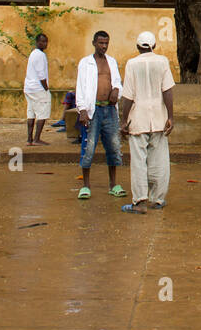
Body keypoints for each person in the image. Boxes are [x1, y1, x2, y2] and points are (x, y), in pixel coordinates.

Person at [117, 31, 175, 214]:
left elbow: (128, 96)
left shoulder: (132, 64)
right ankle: (158, 199)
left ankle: (140, 202)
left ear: (137, 47)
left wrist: (124, 120)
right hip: (159, 118)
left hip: (138, 119)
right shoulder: (163, 62)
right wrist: (170, 117)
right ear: (154, 46)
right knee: (160, 161)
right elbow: (167, 91)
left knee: (138, 162)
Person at [75, 30, 125, 200]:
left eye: (106, 43)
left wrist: (116, 91)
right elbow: (80, 87)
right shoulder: (85, 63)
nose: (103, 46)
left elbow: (117, 82)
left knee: (114, 147)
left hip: (109, 110)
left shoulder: (112, 62)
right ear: (94, 43)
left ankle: (113, 185)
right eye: (101, 43)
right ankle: (86, 186)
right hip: (92, 111)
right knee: (88, 148)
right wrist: (82, 110)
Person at [23, 33, 51, 145]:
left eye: (45, 41)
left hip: (29, 88)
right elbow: (41, 75)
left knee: (31, 113)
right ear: (37, 42)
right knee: (42, 113)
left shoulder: (33, 53)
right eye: (42, 41)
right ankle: (36, 139)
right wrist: (46, 89)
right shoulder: (40, 55)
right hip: (38, 89)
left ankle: (29, 139)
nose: (44, 43)